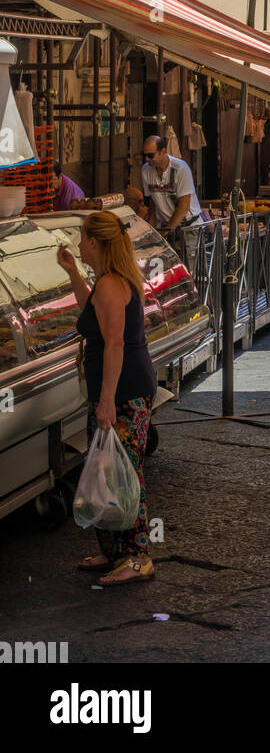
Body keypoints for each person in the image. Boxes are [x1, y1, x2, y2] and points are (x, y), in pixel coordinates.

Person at [57, 211, 157, 585]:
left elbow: (114, 344)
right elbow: (94, 313)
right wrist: (72, 274)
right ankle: (114, 552)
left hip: (125, 391)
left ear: (95, 243)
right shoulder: (106, 283)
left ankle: (138, 556)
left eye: (81, 239)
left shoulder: (113, 284)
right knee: (104, 467)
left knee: (125, 472)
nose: (79, 245)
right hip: (120, 390)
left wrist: (107, 401)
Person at [140, 136, 202, 233]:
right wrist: (152, 229)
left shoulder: (180, 169)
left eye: (151, 155)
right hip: (166, 226)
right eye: (144, 155)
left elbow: (183, 206)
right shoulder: (146, 170)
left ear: (163, 152)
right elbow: (153, 201)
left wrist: (165, 232)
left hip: (188, 227)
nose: (147, 159)